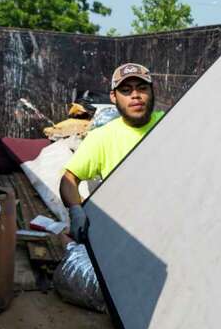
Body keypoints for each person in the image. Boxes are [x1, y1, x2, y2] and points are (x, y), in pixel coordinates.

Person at [59, 63, 164, 243]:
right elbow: (69, 179)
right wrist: (76, 211)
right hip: (128, 235)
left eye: (142, 88)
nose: (135, 95)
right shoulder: (101, 138)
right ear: (113, 97)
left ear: (152, 91)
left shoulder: (171, 124)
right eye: (125, 90)